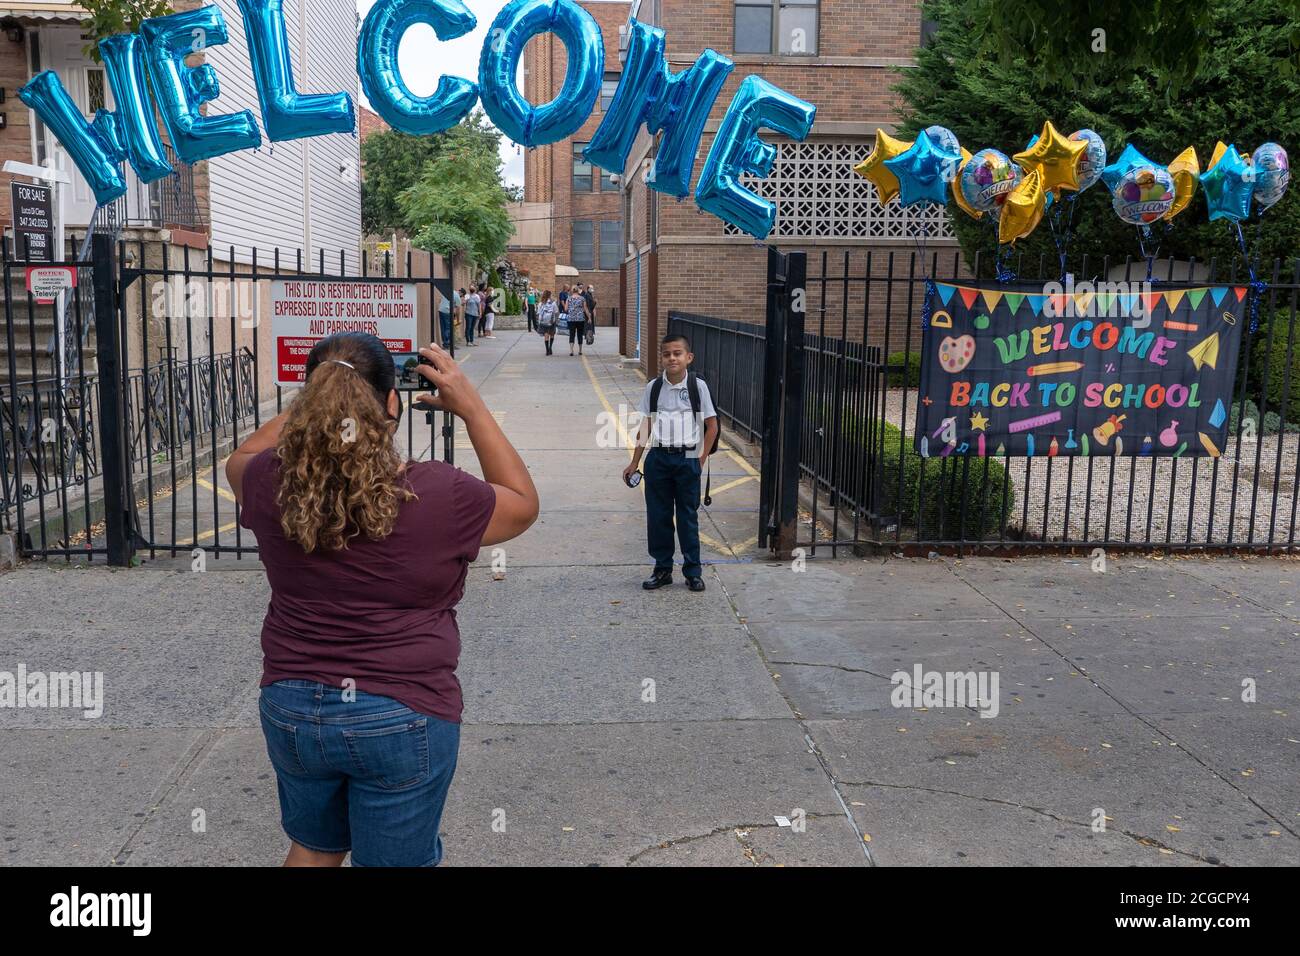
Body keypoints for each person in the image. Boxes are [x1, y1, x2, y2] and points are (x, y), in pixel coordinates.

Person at [225, 332, 539, 867]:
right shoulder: (440, 493)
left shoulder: (265, 481)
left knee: (313, 848)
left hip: (292, 704)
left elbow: (246, 452)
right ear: (392, 406)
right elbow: (522, 503)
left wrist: (321, 400)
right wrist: (471, 406)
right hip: (400, 711)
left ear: (308, 404)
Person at [622, 334, 718, 593]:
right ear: (662, 358)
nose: (672, 358)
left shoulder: (698, 387)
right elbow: (646, 425)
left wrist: (700, 458)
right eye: (667, 354)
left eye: (677, 353)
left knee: (688, 517)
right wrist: (635, 462)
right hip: (658, 458)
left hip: (688, 457)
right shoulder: (654, 387)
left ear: (689, 357)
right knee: (658, 516)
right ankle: (662, 569)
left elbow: (712, 426)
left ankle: (693, 571)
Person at [565, 282, 590, 356]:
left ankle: (571, 350)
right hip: (580, 319)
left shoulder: (568, 299)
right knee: (579, 334)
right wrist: (589, 317)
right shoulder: (582, 298)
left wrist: (570, 308)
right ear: (577, 290)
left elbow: (566, 309)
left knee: (572, 334)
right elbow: (585, 309)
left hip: (571, 319)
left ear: (572, 291)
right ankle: (580, 350)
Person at [537, 289, 559, 355]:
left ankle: (547, 350)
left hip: (544, 322)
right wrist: (557, 319)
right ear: (549, 295)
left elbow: (538, 313)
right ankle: (550, 348)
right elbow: (556, 312)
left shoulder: (540, 303)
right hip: (552, 321)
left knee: (546, 335)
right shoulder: (553, 303)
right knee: (552, 334)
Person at [438, 286, 460, 350]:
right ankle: (448, 343)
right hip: (447, 311)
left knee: (443, 327)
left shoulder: (446, 292)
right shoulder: (457, 296)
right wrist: (458, 320)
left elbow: (440, 300)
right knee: (448, 328)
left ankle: (445, 343)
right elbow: (458, 309)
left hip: (441, 310)